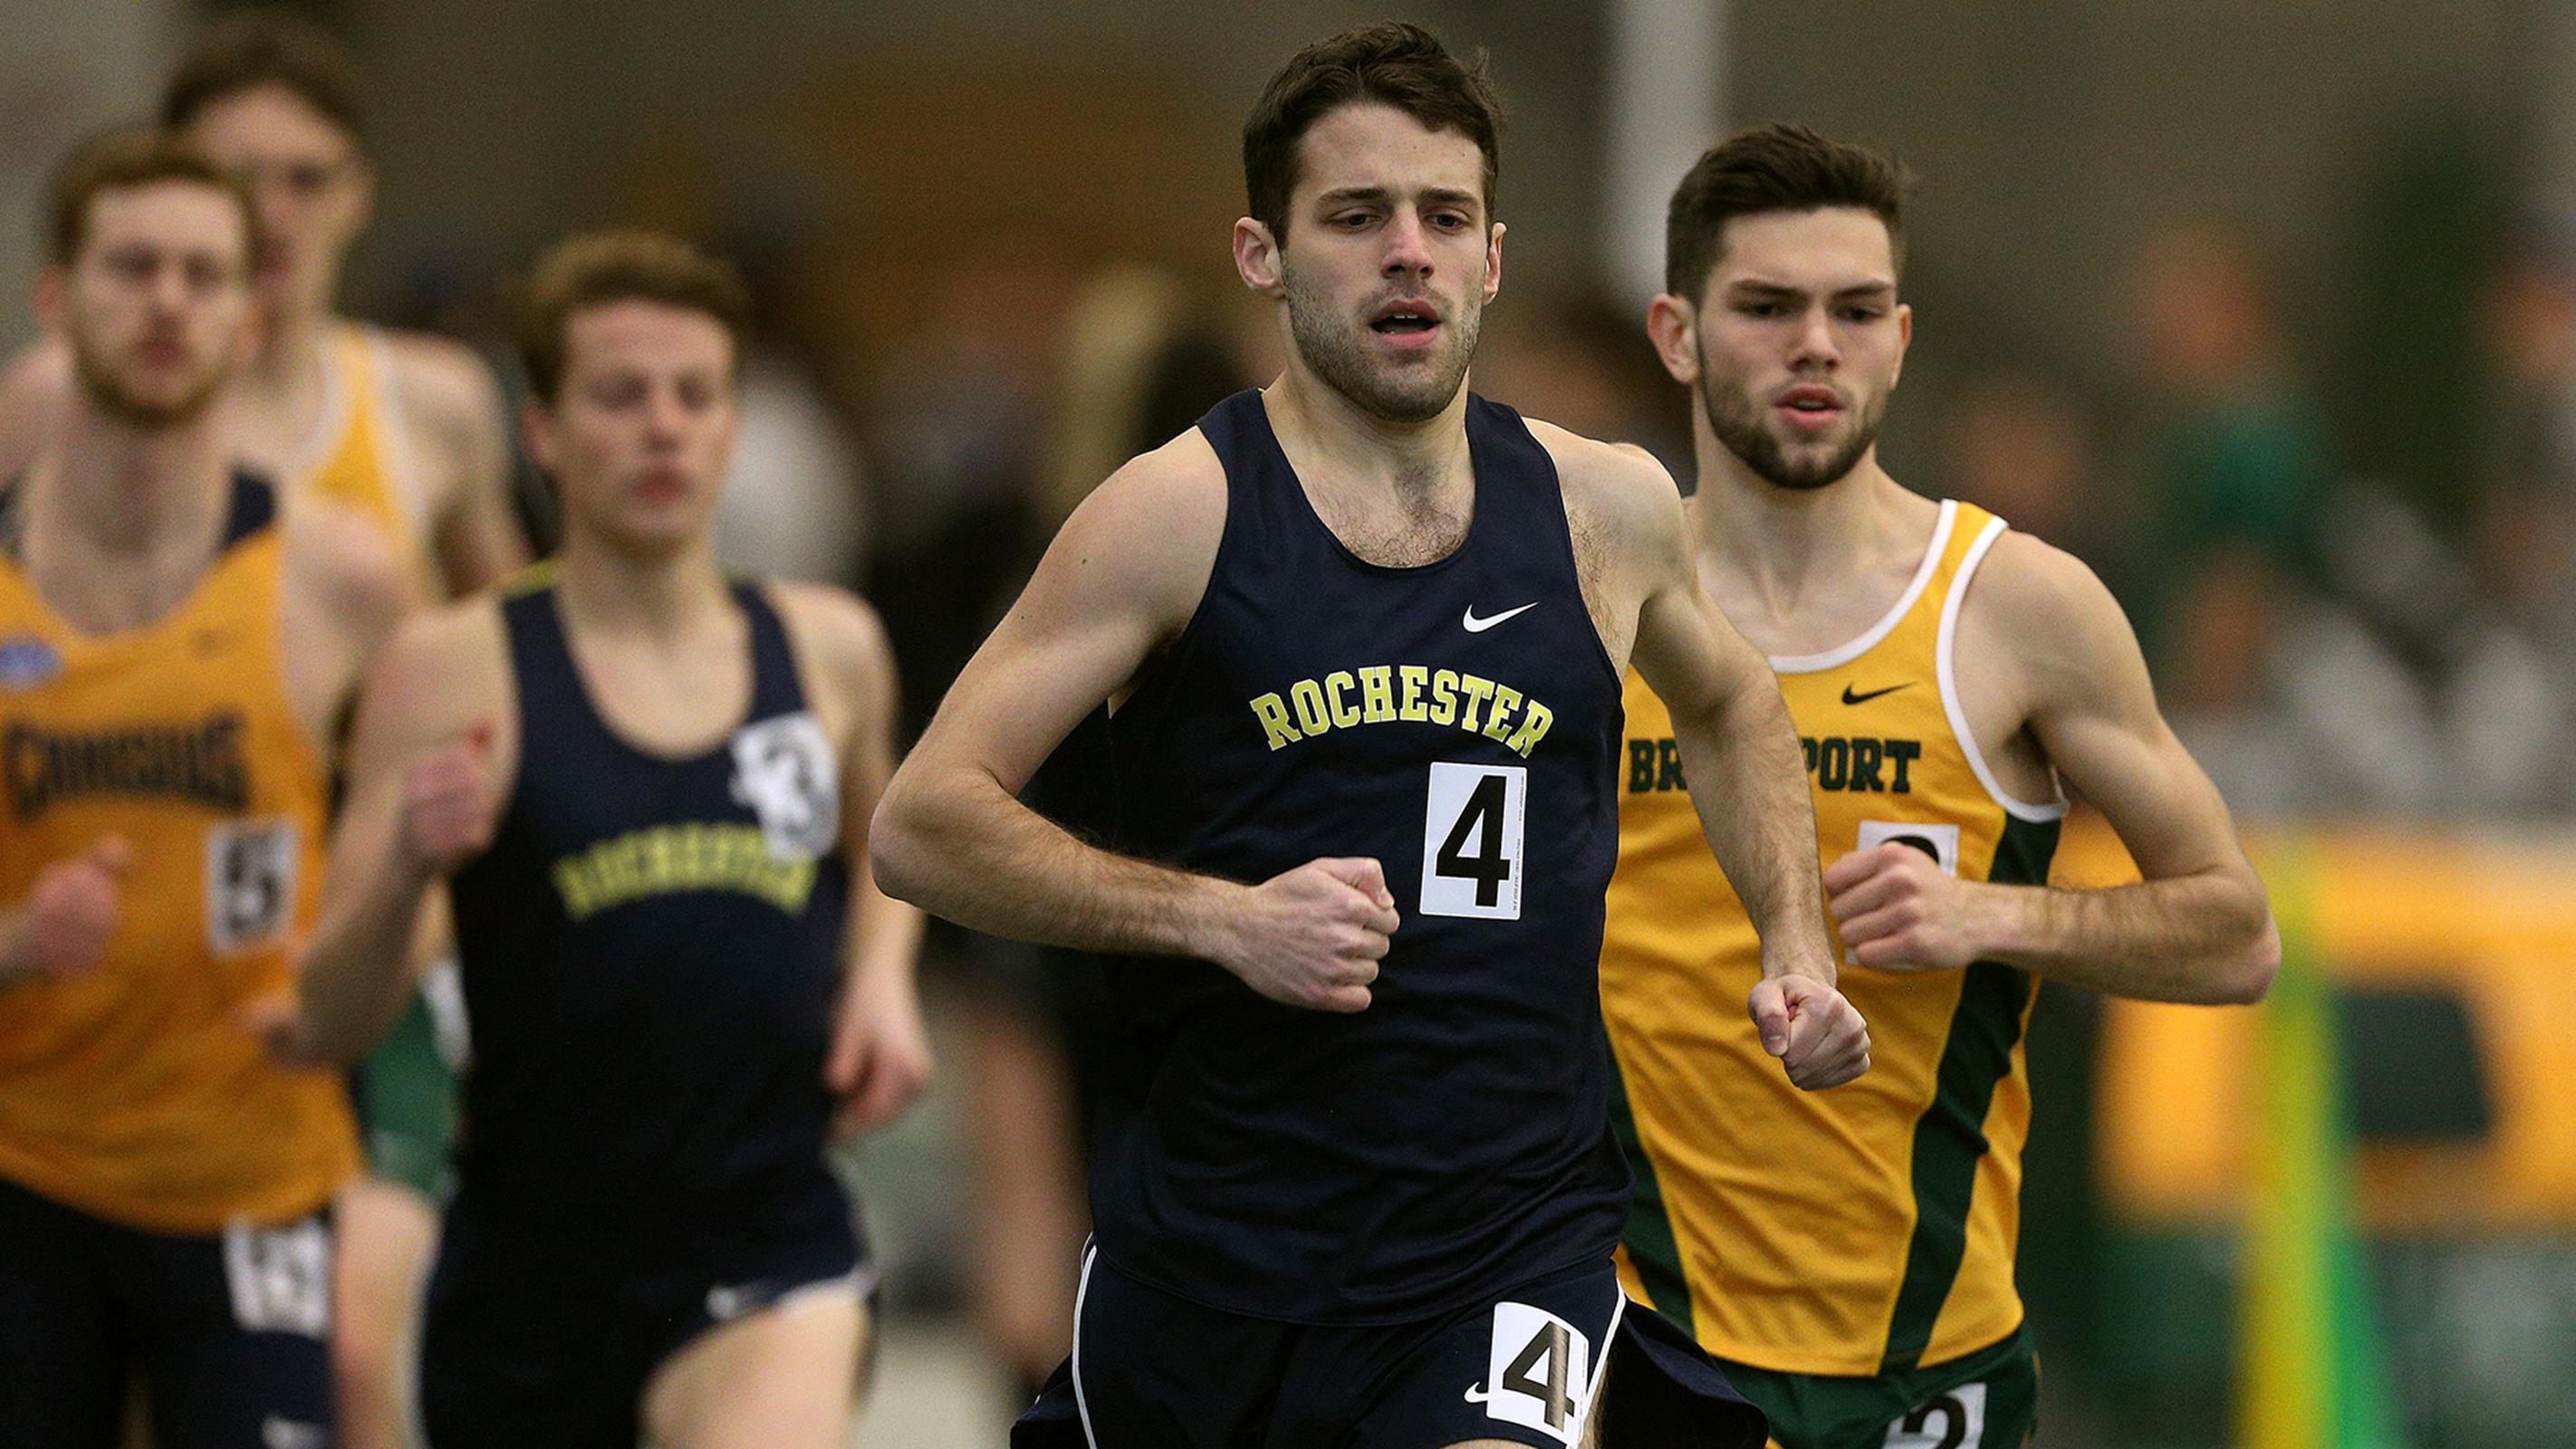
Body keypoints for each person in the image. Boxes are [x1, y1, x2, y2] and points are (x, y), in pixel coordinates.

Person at [871, 24, 1869, 1449]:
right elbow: (924, 823)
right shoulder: (1174, 516)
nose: (1408, 251)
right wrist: (1222, 921)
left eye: (1444, 217)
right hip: (1214, 1276)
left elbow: (1733, 705)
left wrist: (1794, 939)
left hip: (1506, 1253)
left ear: (1492, 258)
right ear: (1261, 255)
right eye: (1356, 217)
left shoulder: (1604, 509)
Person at [1601, 123, 2282, 1449]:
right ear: (1677, 335)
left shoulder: (2015, 608)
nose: (1817, 345)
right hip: (1633, 1333)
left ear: (1903, 340)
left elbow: (2237, 935)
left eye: (1855, 310)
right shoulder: (1590, 602)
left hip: (1925, 1364)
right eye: (1768, 307)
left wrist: (1994, 916)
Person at [275, 229, 928, 1449]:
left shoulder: (828, 647)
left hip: (766, 1235)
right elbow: (325, 1018)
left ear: (736, 423)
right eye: (621, 397)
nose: (664, 427)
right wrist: (408, 862)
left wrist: (884, 984)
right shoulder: (449, 669)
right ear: (545, 435)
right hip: (534, 1267)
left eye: (697, 395)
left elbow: (891, 847)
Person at [0, 18, 533, 1444]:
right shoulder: (50, 409)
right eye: (244, 175)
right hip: (99, 999)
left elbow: (509, 653)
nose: (276, 212)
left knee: (355, 1358)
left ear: (357, 190)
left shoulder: (419, 415)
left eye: (306, 179)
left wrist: (469, 879)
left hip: (357, 953)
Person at [0, 130, 406, 1449]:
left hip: (252, 1179)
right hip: (21, 1174)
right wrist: (14, 944)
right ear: (56, 300)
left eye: (201, 273)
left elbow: (403, 873)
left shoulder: (341, 579)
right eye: (131, 267)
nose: (168, 300)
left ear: (249, 314)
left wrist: (361, 956)